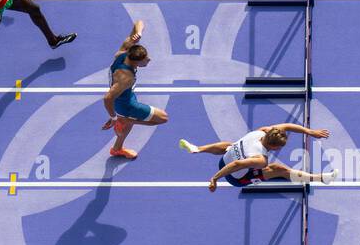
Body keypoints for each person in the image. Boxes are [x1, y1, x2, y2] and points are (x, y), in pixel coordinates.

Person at [180, 125, 336, 191]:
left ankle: (198, 149)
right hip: (235, 177)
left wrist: (311, 132)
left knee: (231, 144)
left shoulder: (261, 132)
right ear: (275, 147)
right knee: (279, 169)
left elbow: (287, 126)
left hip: (224, 159)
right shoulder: (260, 160)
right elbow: (237, 164)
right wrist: (215, 179)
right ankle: (321, 178)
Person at [101, 20, 168, 159]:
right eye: (145, 60)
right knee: (162, 118)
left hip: (127, 95)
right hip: (125, 105)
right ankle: (125, 120)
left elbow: (139, 22)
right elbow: (108, 98)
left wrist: (138, 33)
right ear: (136, 62)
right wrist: (114, 117)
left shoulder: (124, 51)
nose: (149, 60)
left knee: (126, 126)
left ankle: (117, 149)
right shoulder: (126, 78)